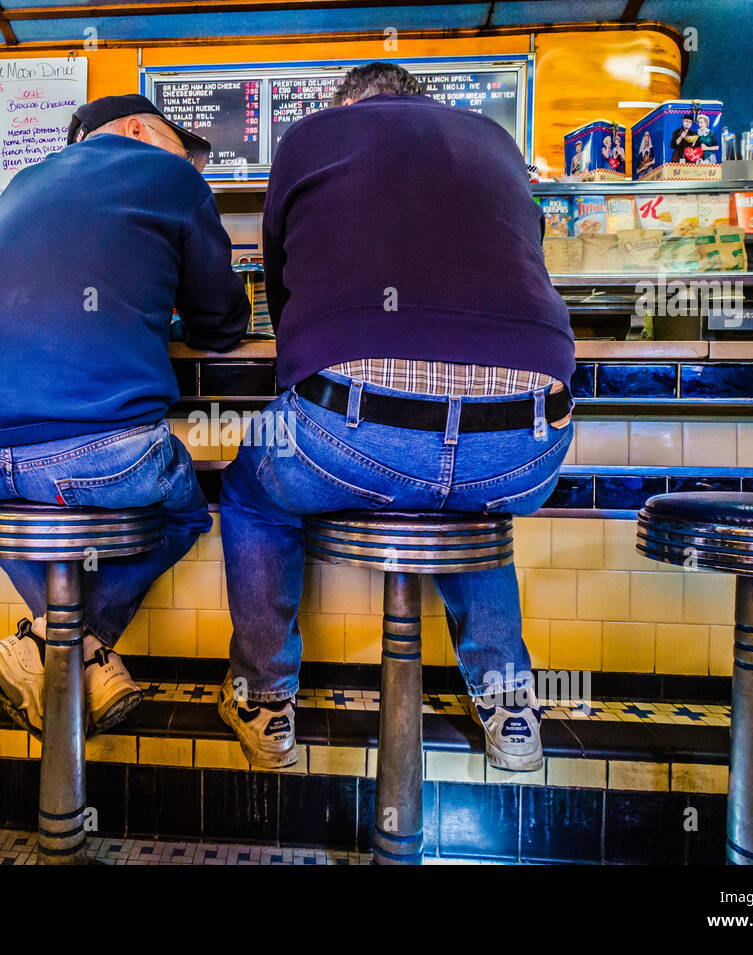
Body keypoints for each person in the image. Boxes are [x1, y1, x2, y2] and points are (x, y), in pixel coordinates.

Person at [216, 63, 576, 771]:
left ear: (347, 104)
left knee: (250, 495)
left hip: (355, 432)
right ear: (419, 99)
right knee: (474, 502)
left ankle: (265, 701)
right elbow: (529, 250)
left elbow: (282, 288)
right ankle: (510, 714)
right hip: (528, 442)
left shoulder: (309, 135)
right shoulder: (494, 142)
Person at [0, 94, 250, 738]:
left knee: (22, 511)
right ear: (135, 129)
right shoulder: (172, 177)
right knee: (181, 511)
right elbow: (223, 323)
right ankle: (75, 642)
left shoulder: (22, 183)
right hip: (94, 458)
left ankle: (47, 646)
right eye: (185, 150)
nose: (194, 167)